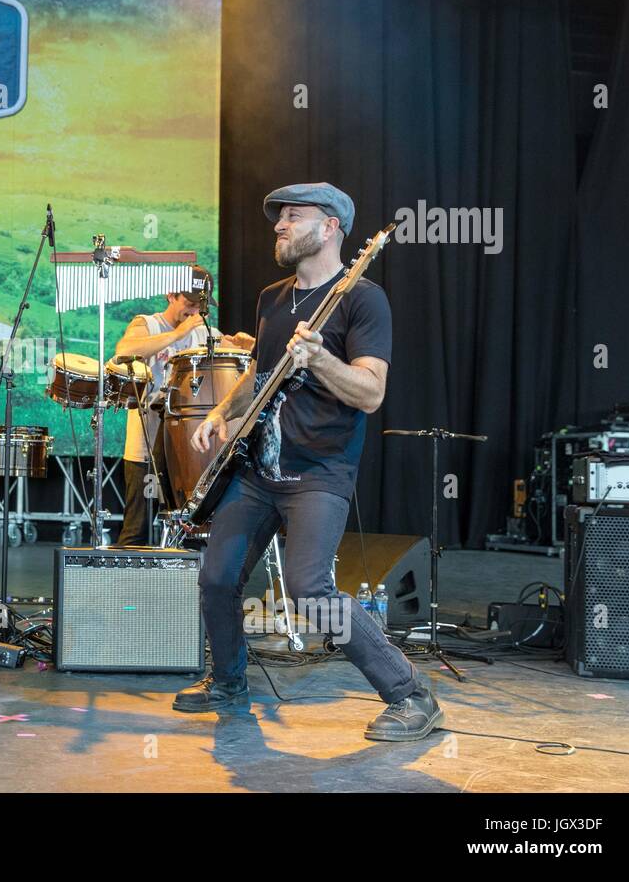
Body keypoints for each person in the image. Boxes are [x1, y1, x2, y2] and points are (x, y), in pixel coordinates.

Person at [175, 182, 444, 742]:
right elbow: (260, 372)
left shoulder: (363, 299)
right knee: (217, 577)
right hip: (257, 470)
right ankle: (226, 682)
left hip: (319, 472)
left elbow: (370, 393)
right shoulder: (272, 297)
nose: (279, 226)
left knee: (308, 590)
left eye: (293, 217)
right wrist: (222, 411)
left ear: (330, 227)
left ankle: (411, 694)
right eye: (280, 218)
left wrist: (320, 358)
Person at [112, 266, 251, 546]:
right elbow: (124, 351)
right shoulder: (147, 324)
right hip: (147, 438)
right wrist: (179, 333)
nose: (194, 312)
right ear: (170, 295)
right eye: (189, 304)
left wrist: (247, 347)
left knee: (190, 522)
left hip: (189, 447)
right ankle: (126, 585)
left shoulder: (205, 332)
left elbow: (238, 359)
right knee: (136, 527)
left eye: (200, 306)